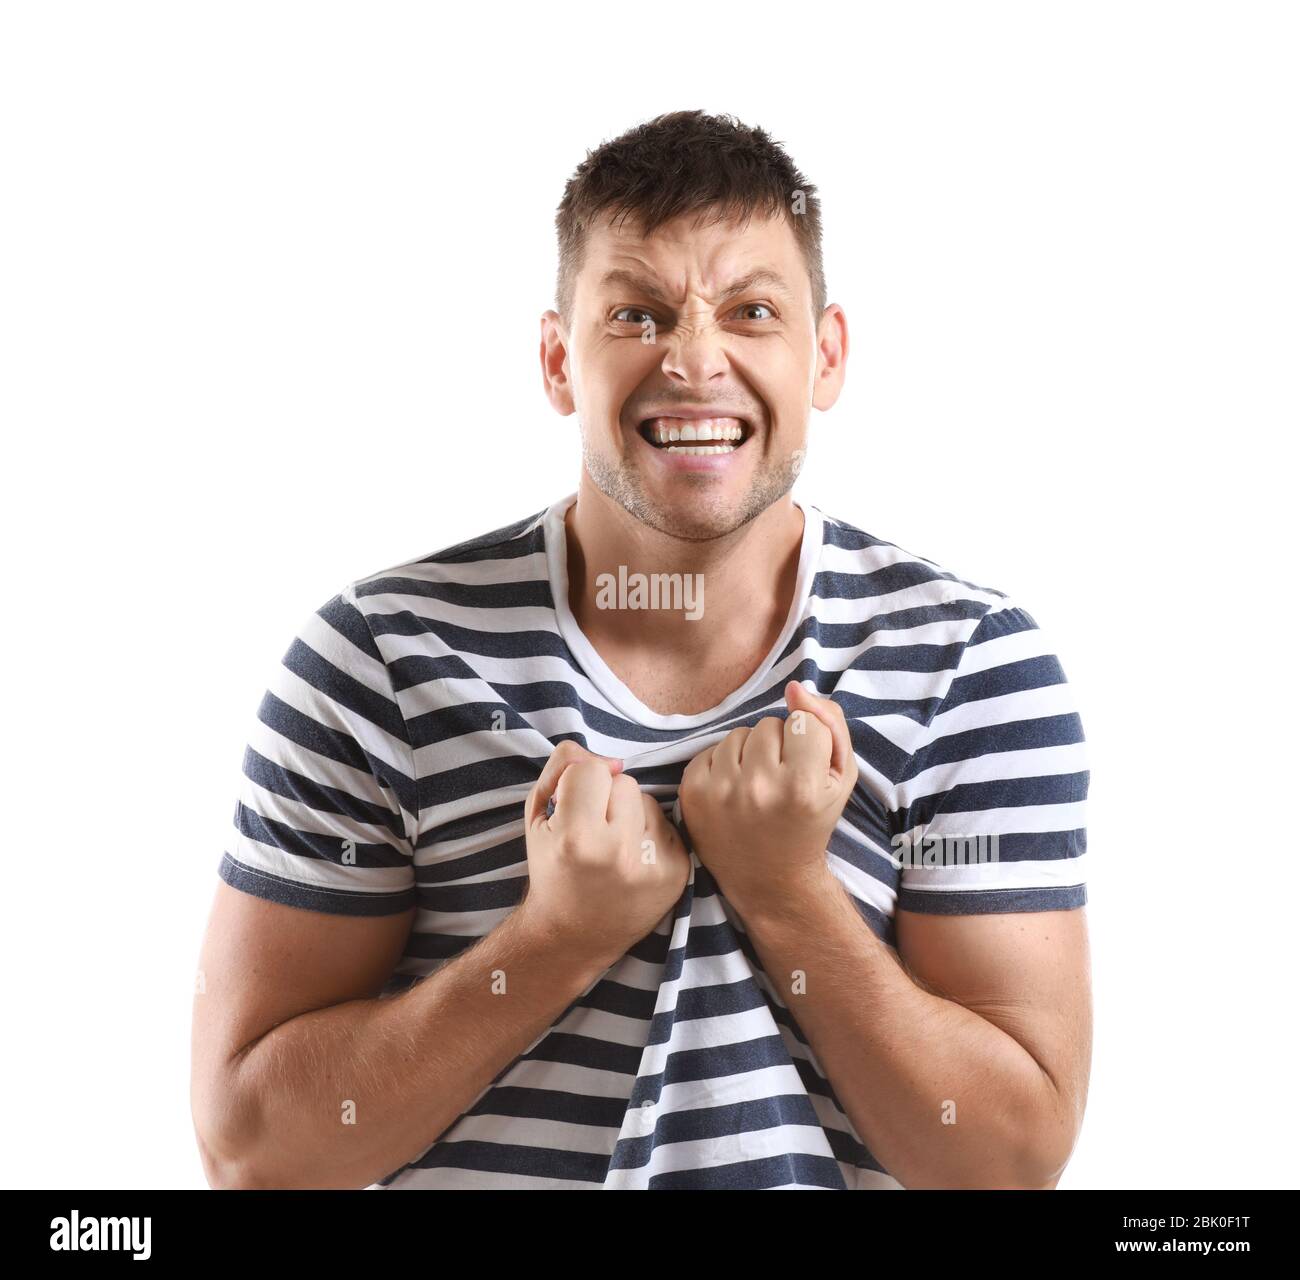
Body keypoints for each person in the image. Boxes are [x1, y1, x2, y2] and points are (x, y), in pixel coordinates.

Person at [191, 110, 1092, 1190]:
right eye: (637, 313)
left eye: (752, 311)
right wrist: (552, 943)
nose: (694, 359)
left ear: (827, 354)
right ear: (557, 360)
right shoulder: (379, 660)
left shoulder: (970, 669)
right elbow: (255, 1151)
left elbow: (1003, 1162)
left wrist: (788, 892)